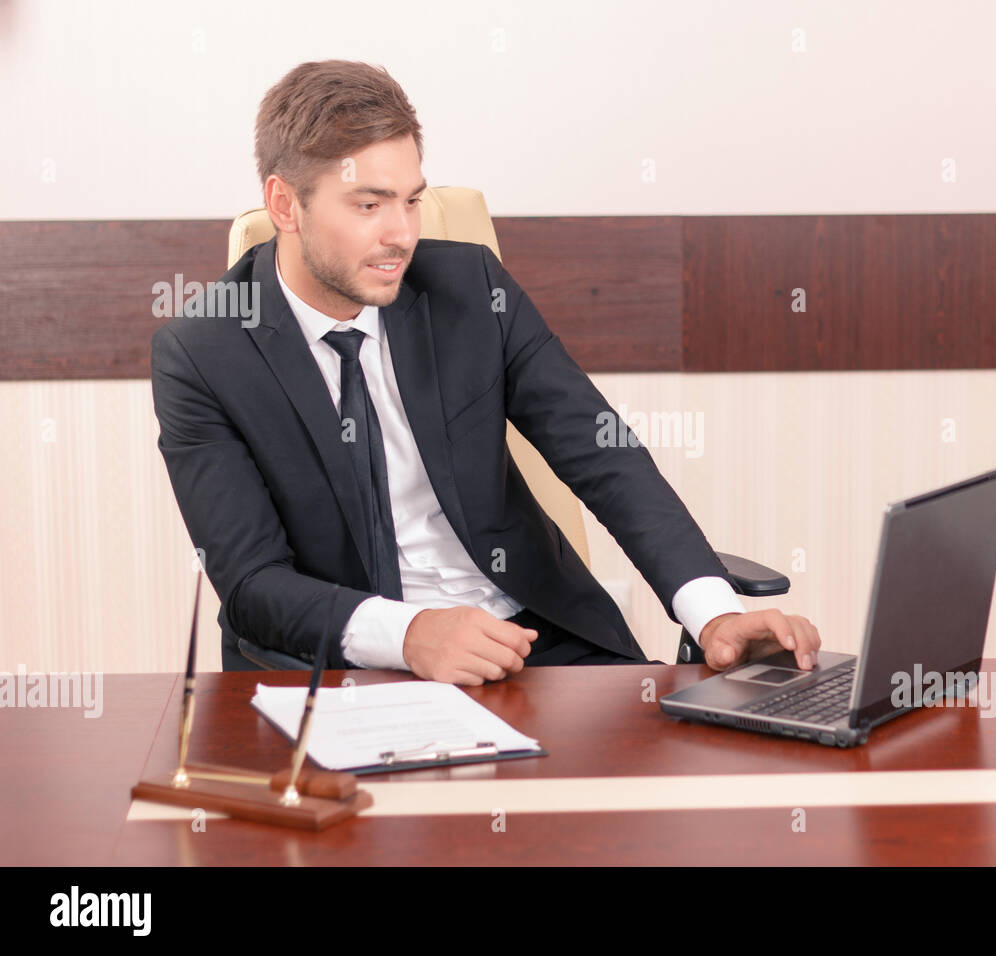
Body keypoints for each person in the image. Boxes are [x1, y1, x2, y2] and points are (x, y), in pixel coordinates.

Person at [151, 59, 821, 684]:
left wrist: (714, 611)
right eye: (368, 205)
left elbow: (601, 453)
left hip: (530, 644)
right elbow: (252, 582)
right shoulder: (203, 353)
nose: (401, 234)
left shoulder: (470, 287)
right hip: (344, 669)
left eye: (411, 200)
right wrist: (411, 634)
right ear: (285, 204)